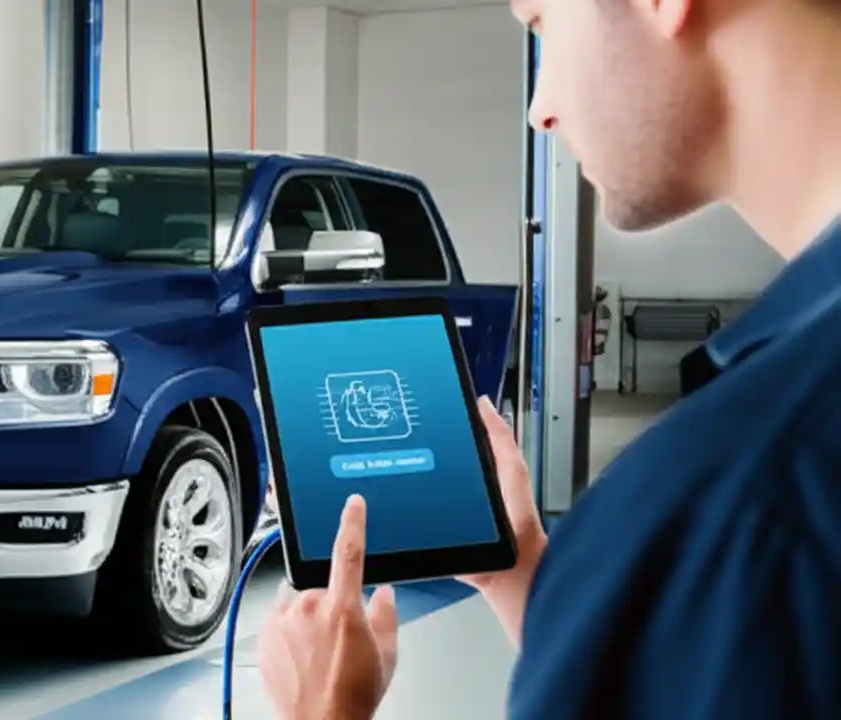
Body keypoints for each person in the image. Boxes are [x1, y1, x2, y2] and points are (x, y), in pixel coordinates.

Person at [256, 0, 841, 717]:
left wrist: (325, 712)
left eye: (541, 25)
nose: (541, 108)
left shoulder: (736, 505)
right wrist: (532, 579)